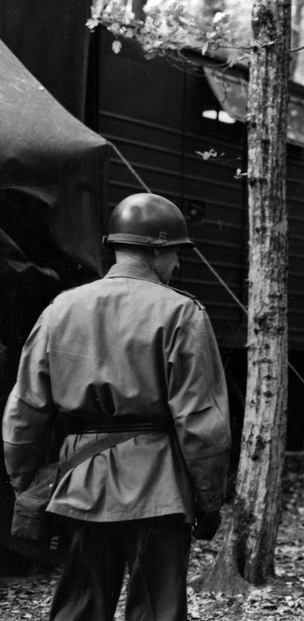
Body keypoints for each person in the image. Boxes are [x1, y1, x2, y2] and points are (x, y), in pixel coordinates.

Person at [2, 193, 231, 621]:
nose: (178, 264)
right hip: (159, 489)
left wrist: (25, 482)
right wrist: (209, 497)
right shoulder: (182, 313)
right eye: (176, 252)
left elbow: (25, 411)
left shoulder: (60, 310)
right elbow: (202, 422)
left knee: (79, 609)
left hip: (80, 484)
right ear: (158, 250)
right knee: (157, 612)